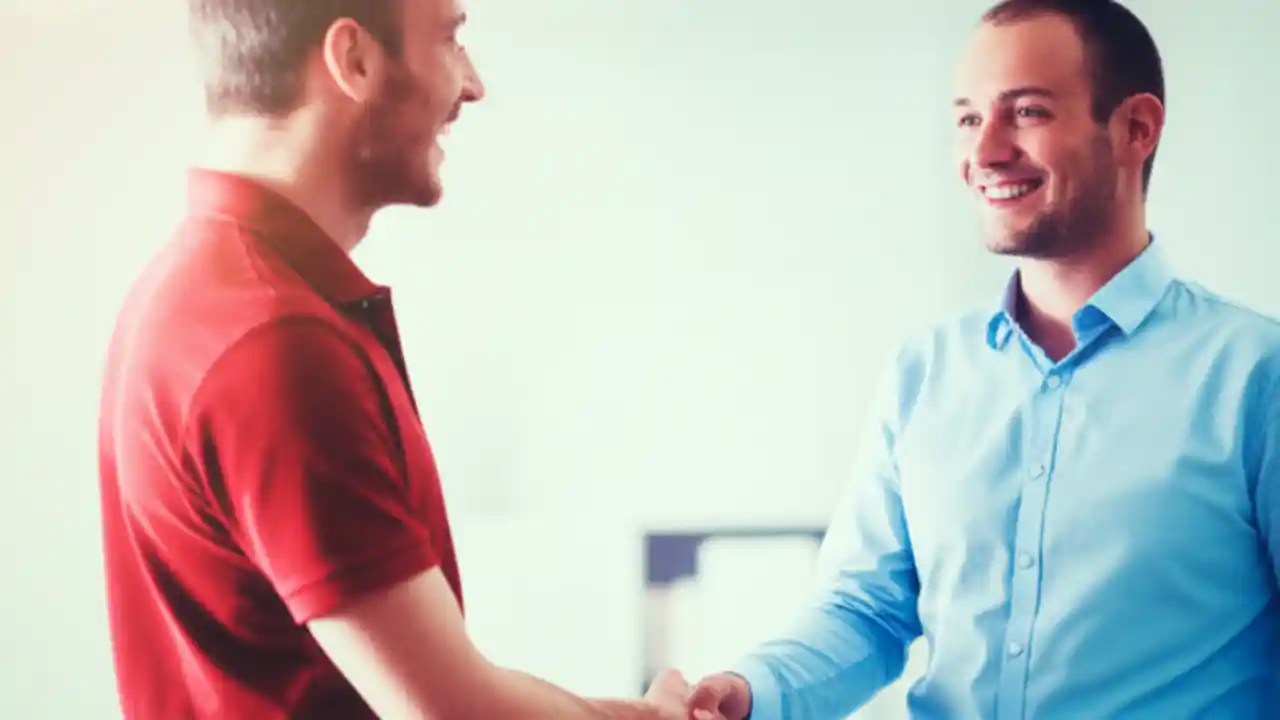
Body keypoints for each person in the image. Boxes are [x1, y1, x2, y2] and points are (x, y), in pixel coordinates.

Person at [682, 0, 1280, 717]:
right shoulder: (924, 373)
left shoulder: (1255, 376)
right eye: (968, 119)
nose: (985, 152)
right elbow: (865, 611)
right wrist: (746, 693)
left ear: (1135, 128)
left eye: (1025, 112)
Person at [97, 1, 689, 717]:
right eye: (450, 40)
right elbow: (452, 711)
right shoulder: (274, 345)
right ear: (354, 60)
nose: (471, 86)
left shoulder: (202, 297)